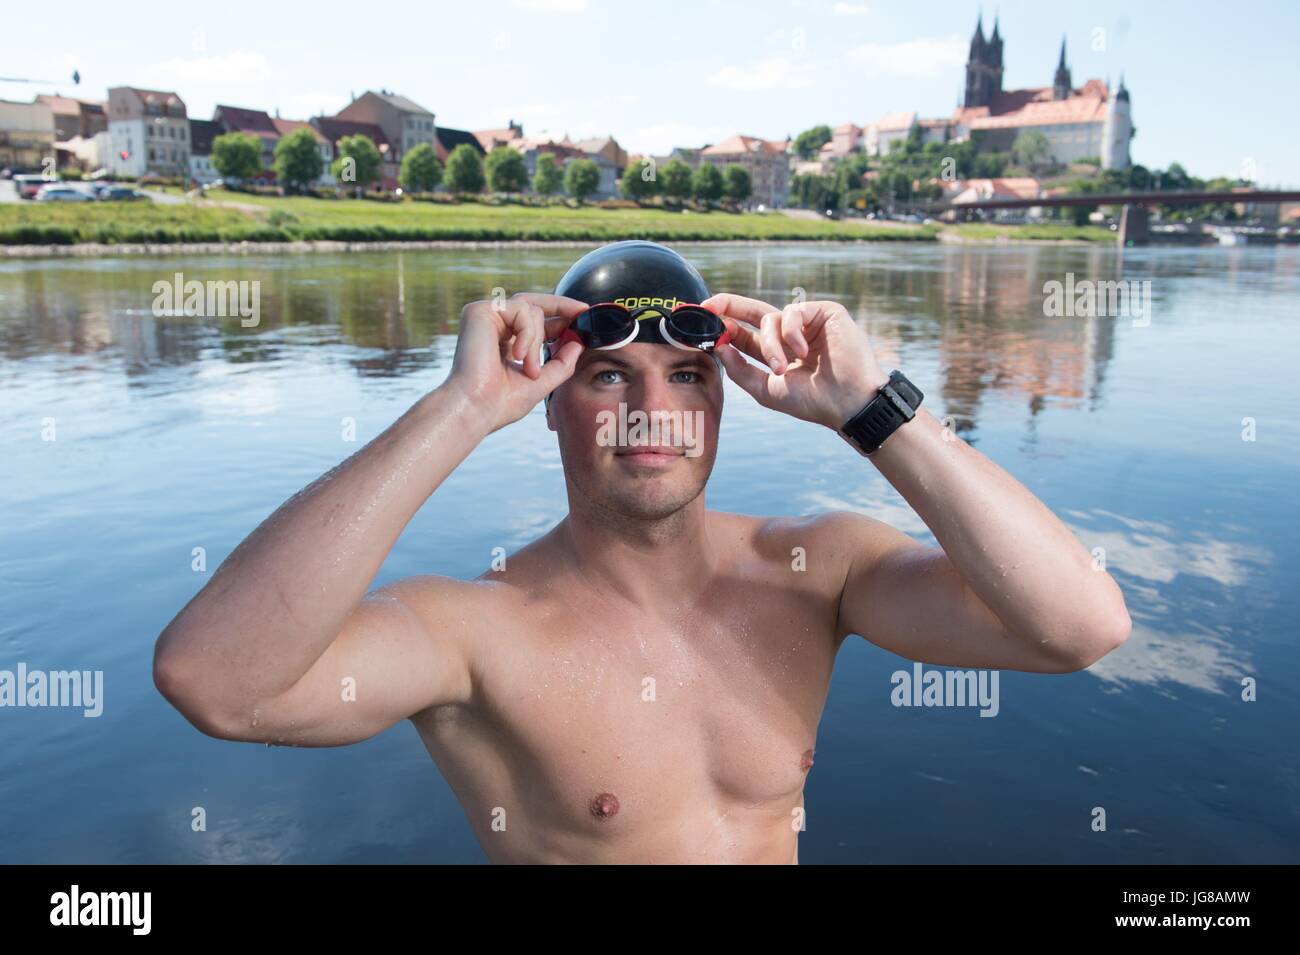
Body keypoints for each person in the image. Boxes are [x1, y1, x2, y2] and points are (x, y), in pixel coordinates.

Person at [153, 240, 1131, 864]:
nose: (650, 416)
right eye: (608, 378)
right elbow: (217, 682)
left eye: (687, 376)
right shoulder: (472, 634)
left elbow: (1079, 626)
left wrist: (872, 410)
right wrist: (457, 410)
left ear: (722, 399)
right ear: (548, 406)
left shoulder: (814, 570)